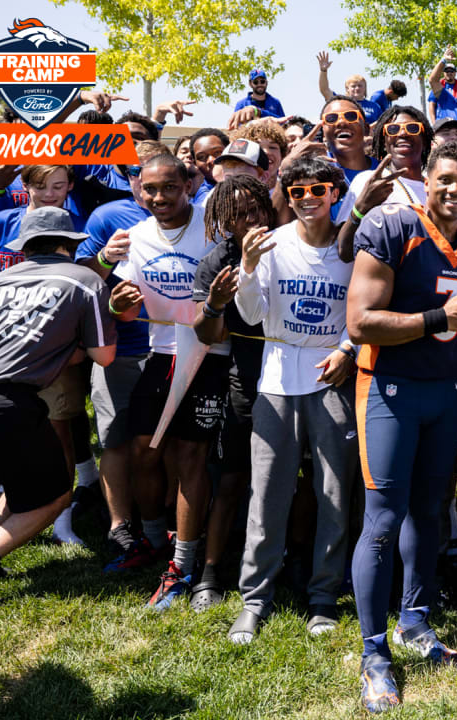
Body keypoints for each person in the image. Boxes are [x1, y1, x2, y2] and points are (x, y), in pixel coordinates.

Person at [345, 142, 457, 712]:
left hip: (446, 394)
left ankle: (415, 620)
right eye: (446, 178)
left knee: (430, 511)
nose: (454, 189)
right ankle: (373, 653)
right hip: (389, 390)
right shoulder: (390, 225)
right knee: (381, 521)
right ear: (425, 178)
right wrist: (437, 319)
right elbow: (360, 323)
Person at [0, 207, 129, 612]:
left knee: (20, 485)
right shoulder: (85, 280)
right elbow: (103, 357)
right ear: (68, 245)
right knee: (54, 495)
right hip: (4, 406)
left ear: (26, 247)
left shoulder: (1, 279)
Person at [227, 157, 358, 642]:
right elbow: (252, 314)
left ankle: (323, 597)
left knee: (334, 493)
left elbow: (366, 307)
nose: (308, 198)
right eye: (297, 190)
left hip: (332, 375)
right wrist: (247, 266)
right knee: (268, 492)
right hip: (278, 379)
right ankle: (254, 598)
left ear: (335, 192)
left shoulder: (351, 244)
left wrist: (348, 347)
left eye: (319, 188)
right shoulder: (272, 242)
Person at [107, 154, 232, 611]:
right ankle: (155, 540)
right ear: (138, 189)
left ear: (188, 184)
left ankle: (182, 566)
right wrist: (119, 301)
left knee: (189, 456)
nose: (158, 198)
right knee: (143, 449)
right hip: (161, 354)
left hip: (210, 355)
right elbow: (124, 307)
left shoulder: (212, 228)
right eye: (149, 189)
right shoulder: (135, 237)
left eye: (168, 188)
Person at [0, 164, 90, 548]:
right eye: (41, 186)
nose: (50, 193)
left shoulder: (75, 225)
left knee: (59, 426)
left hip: (54, 349)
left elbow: (88, 275)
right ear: (24, 185)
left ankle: (61, 519)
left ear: (69, 187)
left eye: (59, 186)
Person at [185, 174, 276, 612]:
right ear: (223, 219)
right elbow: (207, 333)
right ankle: (209, 574)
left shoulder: (291, 244)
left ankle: (292, 566)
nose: (250, 219)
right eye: (238, 214)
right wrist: (215, 303)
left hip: (301, 379)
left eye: (256, 208)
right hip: (246, 380)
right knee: (232, 477)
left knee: (304, 482)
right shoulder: (216, 260)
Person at [77, 141, 168, 568]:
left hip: (174, 349)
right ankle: (119, 525)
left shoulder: (195, 216)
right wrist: (102, 257)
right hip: (121, 349)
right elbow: (81, 279)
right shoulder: (107, 216)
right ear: (131, 181)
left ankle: (161, 521)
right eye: (137, 175)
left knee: (162, 443)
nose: (147, 187)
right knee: (114, 439)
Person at [335, 106, 433, 262]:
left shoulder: (435, 188)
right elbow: (344, 252)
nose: (402, 133)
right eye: (393, 129)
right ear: (384, 142)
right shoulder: (368, 180)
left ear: (425, 139)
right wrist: (361, 208)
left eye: (412, 128)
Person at [318, 94, 374, 186]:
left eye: (351, 116)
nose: (341, 122)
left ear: (366, 129)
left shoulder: (387, 172)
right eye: (331, 118)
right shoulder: (313, 175)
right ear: (323, 132)